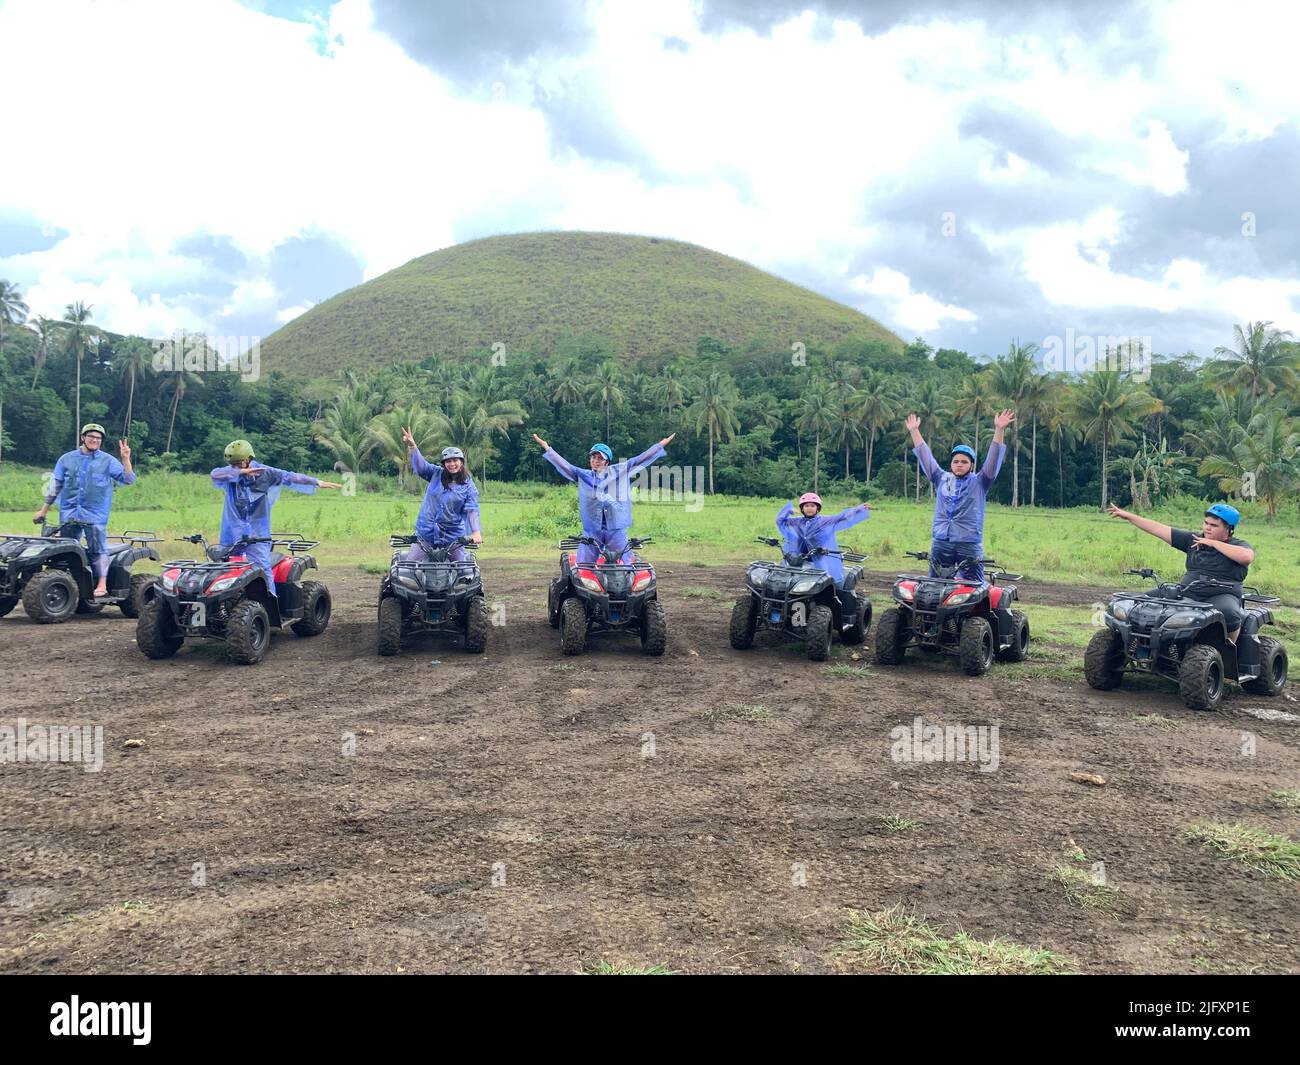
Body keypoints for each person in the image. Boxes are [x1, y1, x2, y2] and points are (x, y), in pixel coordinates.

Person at [1108, 502, 1254, 643]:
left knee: (1229, 613)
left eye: (1214, 525)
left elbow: (1246, 557)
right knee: (1140, 604)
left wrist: (1213, 543)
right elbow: (1158, 528)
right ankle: (1135, 644)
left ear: (1228, 528)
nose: (1207, 528)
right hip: (1187, 591)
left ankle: (1228, 652)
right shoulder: (1193, 540)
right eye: (1206, 523)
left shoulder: (1238, 545)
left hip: (1221, 595)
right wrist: (1128, 516)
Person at [211, 440, 343, 595]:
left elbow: (290, 477)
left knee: (261, 567)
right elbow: (215, 474)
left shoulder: (265, 473)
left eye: (238, 464)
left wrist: (317, 482)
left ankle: (270, 602)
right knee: (226, 568)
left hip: (257, 533)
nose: (235, 467)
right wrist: (240, 472)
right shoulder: (230, 474)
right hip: (232, 531)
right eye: (232, 465)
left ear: (248, 460)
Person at [906, 408, 1015, 583]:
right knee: (935, 584)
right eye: (956, 461)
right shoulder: (940, 478)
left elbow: (993, 460)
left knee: (973, 587)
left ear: (971, 465)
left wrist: (999, 429)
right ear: (951, 464)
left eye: (964, 462)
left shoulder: (981, 481)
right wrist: (914, 431)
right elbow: (925, 457)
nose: (959, 464)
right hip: (941, 542)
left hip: (969, 544)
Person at [532, 432, 674, 564]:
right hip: (592, 530)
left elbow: (638, 459)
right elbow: (565, 466)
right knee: (584, 566)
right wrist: (547, 447)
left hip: (616, 529)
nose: (596, 461)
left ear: (607, 462)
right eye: (593, 457)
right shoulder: (583, 475)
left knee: (624, 565)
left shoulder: (619, 470)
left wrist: (659, 446)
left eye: (600, 458)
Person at [34, 424, 135, 600]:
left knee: (97, 547)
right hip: (69, 512)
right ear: (83, 438)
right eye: (91, 437)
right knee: (66, 548)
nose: (95, 441)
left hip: (95, 513)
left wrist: (125, 459)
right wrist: (43, 510)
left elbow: (127, 479)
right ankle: (72, 584)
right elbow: (55, 486)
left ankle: (102, 584)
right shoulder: (66, 459)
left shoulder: (107, 460)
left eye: (98, 438)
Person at [776, 493, 871, 626]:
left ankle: (841, 614)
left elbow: (841, 517)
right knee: (783, 581)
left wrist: (858, 509)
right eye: (806, 506)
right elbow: (780, 521)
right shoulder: (797, 521)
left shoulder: (824, 520)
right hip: (799, 559)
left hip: (820, 559)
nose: (809, 508)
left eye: (812, 506)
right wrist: (788, 511)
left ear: (818, 508)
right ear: (802, 508)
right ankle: (786, 612)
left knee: (831, 584)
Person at [401, 427, 482, 562]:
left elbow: (472, 510)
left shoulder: (469, 486)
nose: (452, 464)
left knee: (463, 569)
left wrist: (476, 532)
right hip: (426, 532)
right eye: (448, 461)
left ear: (461, 462)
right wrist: (413, 446)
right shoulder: (435, 473)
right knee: (410, 566)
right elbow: (421, 467)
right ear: (444, 464)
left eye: (455, 460)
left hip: (452, 536)